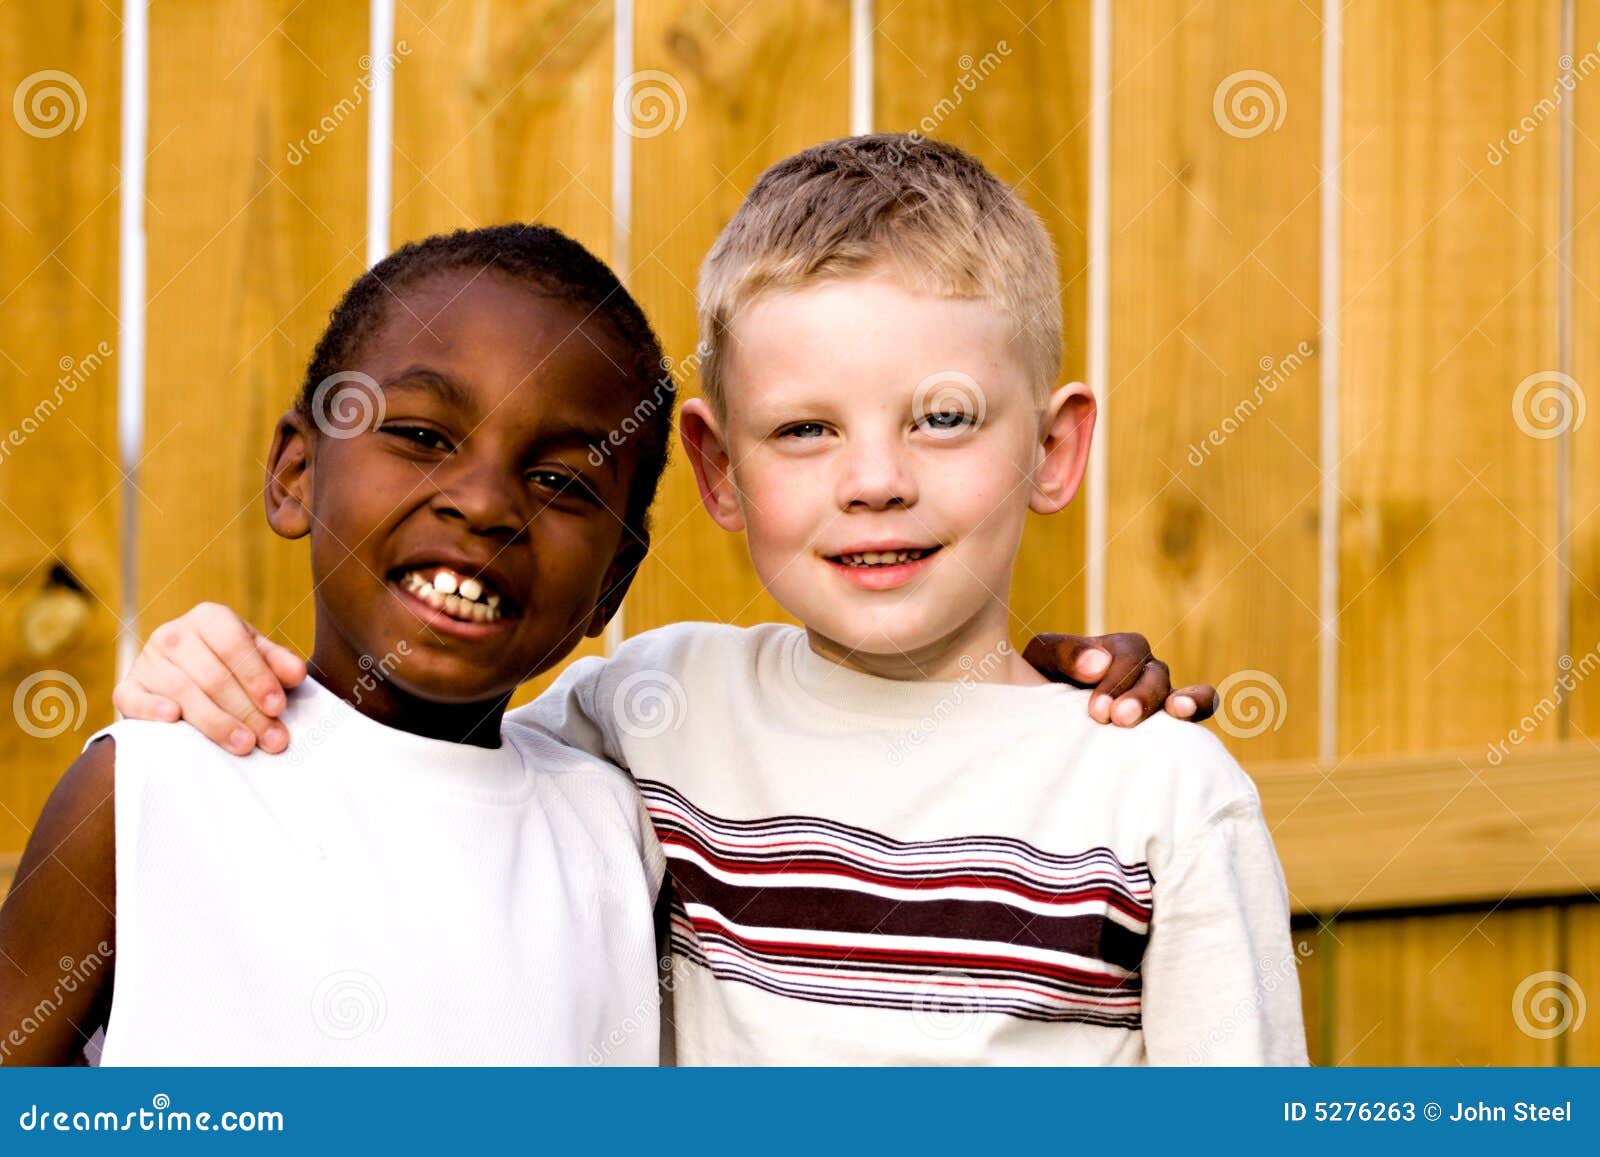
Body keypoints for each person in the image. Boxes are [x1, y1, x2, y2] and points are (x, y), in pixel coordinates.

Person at [106, 137, 1283, 1065]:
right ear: (720, 469)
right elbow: (419, 781)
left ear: (1055, 446)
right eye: (805, 429)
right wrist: (195, 661)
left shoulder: (1161, 793)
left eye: (942, 416)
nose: (875, 480)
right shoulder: (651, 711)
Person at [0, 226, 675, 1064]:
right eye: (424, 437)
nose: (485, 504)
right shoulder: (147, 786)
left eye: (559, 481)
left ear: (613, 580)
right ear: (296, 474)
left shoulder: (616, 832)